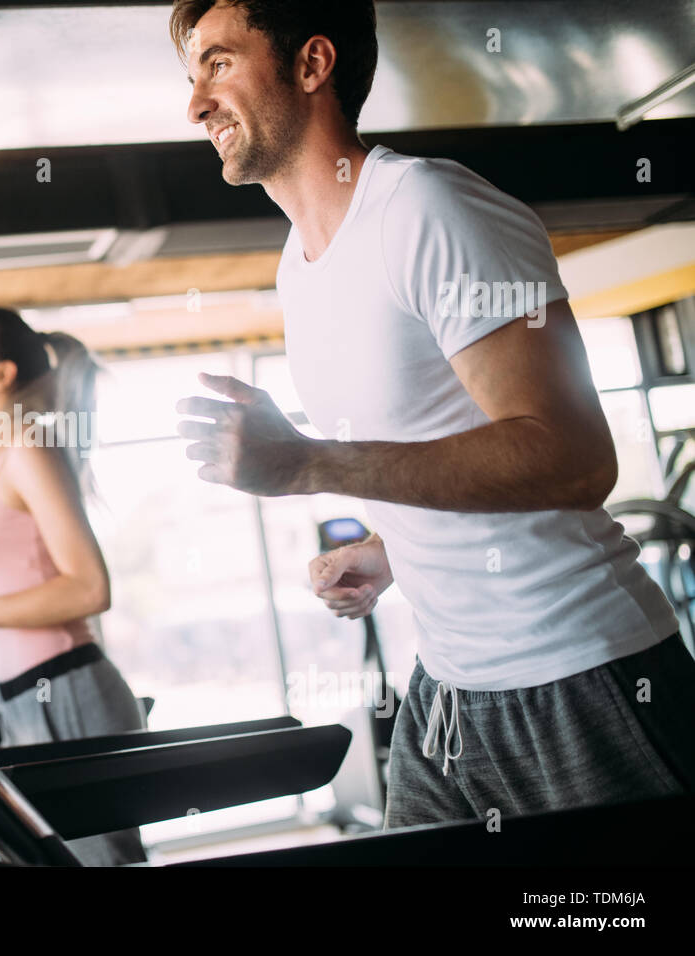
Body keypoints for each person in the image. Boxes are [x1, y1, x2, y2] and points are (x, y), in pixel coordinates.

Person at [169, 0, 695, 828]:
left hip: (579, 671)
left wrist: (308, 462)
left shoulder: (429, 208)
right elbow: (446, 441)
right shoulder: (299, 267)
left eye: (220, 63)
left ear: (312, 66)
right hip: (448, 686)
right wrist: (396, 551)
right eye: (192, 73)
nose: (196, 101)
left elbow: (573, 458)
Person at [0, 306, 147, 865]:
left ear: (2, 374)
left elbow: (89, 587)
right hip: (25, 696)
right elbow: (18, 574)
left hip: (66, 686)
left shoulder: (29, 444)